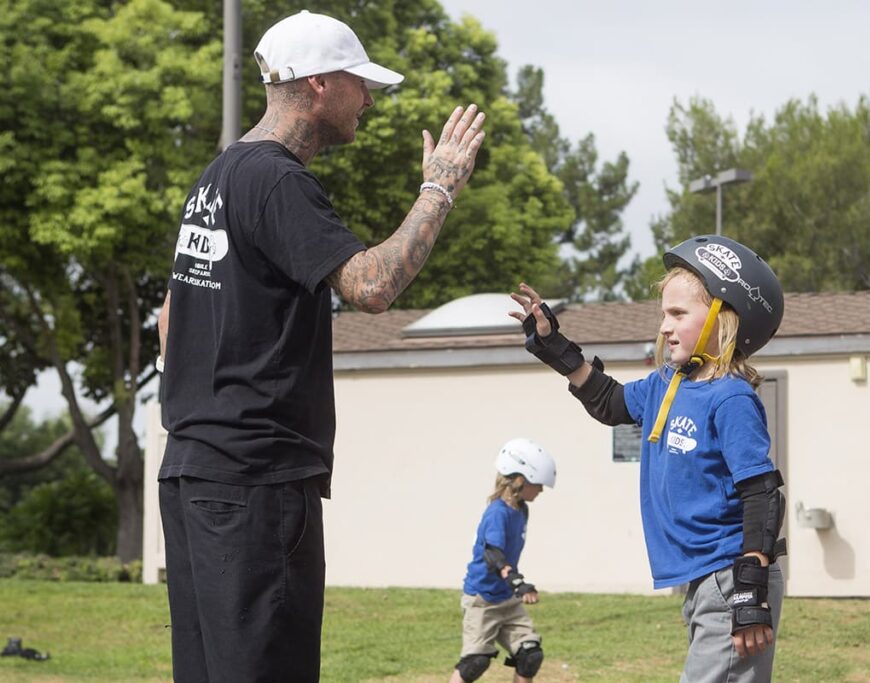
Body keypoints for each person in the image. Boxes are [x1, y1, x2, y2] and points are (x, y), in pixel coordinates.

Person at [155, 9, 486, 683]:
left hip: (194, 473)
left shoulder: (216, 178)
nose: (368, 99)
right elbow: (370, 285)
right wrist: (439, 190)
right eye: (359, 83)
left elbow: (170, 314)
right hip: (255, 484)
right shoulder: (276, 179)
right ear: (318, 85)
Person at [509, 235, 787, 683]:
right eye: (664, 314)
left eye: (678, 314)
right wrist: (554, 346)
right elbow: (610, 403)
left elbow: (761, 491)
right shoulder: (667, 385)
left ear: (724, 319)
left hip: (734, 575)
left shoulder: (729, 397)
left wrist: (751, 591)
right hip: (704, 579)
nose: (664, 327)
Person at [450, 438, 556, 683]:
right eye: (537, 484)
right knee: (474, 663)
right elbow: (493, 554)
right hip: (483, 600)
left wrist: (514, 586)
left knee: (530, 656)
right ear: (519, 480)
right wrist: (517, 581)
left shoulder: (521, 509)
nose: (540, 490)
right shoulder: (497, 512)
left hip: (507, 599)